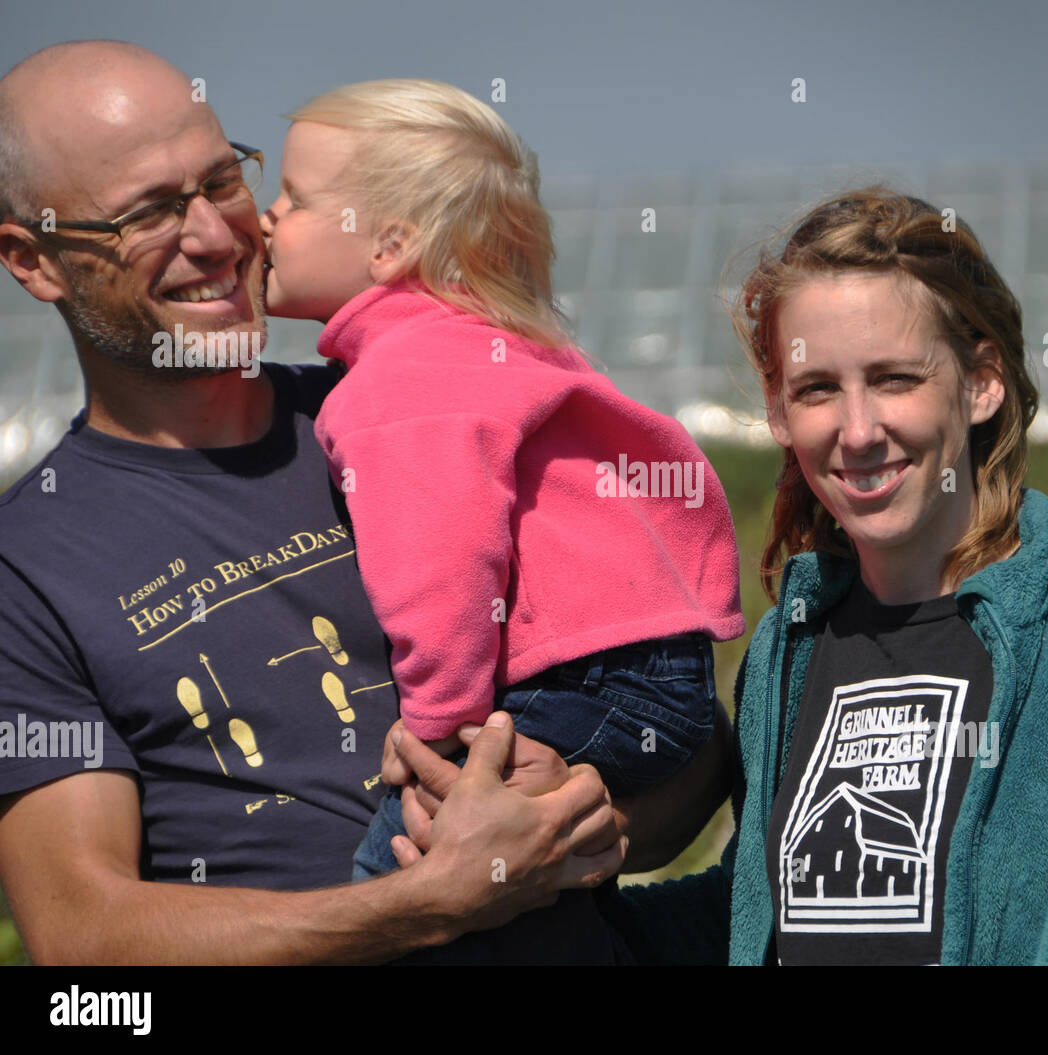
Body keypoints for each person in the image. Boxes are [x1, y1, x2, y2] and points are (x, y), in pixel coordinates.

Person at [0, 40, 725, 965]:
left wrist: (584, 809)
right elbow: (83, 937)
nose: (219, 236)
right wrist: (424, 901)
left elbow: (692, 744)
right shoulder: (28, 565)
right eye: (147, 213)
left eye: (224, 180)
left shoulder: (413, 411)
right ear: (34, 260)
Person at [604, 188, 1048, 965]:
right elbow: (766, 915)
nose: (859, 430)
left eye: (896, 378)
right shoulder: (787, 651)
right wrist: (534, 914)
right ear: (778, 410)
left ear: (981, 382)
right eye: (818, 388)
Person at [256, 78, 744, 884]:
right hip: (656, 677)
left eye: (295, 197)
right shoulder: (500, 342)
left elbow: (442, 563)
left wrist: (438, 728)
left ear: (389, 245)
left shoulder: (397, 382)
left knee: (397, 884)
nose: (267, 214)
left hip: (575, 686)